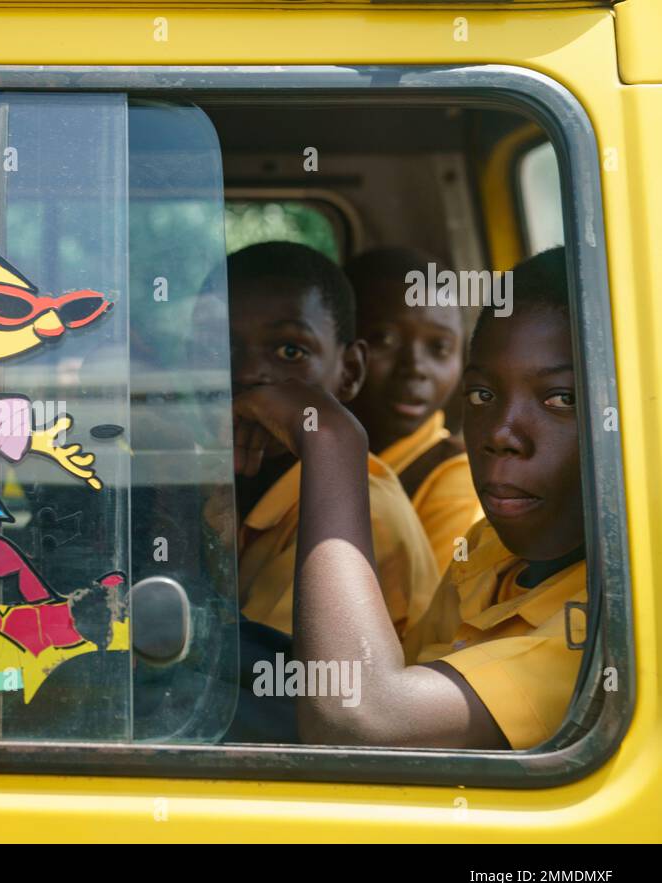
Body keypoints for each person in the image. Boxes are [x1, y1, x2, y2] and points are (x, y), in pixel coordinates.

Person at [231, 247, 586, 748]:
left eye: (561, 398)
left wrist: (332, 440)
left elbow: (361, 720)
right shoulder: (491, 554)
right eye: (482, 395)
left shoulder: (603, 630)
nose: (501, 433)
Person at [203, 242, 438, 641]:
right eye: (219, 348)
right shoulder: (231, 485)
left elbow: (266, 679)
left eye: (290, 350)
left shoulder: (364, 512)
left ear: (349, 371)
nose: (246, 373)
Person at [345, 247, 483, 572]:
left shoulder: (455, 478)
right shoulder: (298, 454)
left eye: (440, 347)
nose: (415, 367)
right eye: (384, 339)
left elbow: (423, 621)